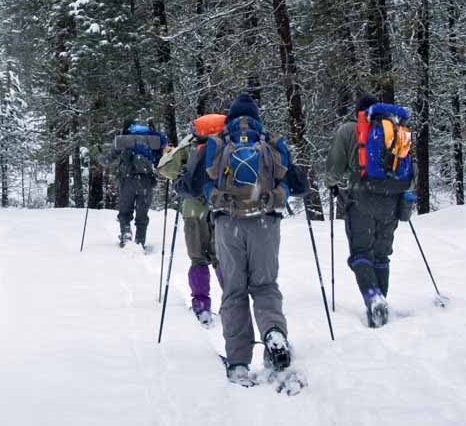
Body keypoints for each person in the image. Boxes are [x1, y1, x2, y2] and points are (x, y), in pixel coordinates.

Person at [199, 93, 308, 386]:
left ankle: (238, 363)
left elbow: (192, 184)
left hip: (228, 224)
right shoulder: (271, 143)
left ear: (230, 118)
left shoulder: (216, 144)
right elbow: (300, 185)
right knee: (265, 285)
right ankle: (273, 332)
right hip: (264, 223)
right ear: (256, 118)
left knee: (234, 291)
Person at [325, 93, 416, 328]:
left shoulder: (349, 130)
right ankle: (380, 306)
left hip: (361, 199)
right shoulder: (395, 130)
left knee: (361, 253)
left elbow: (335, 168)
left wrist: (331, 183)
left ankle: (374, 299)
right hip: (391, 201)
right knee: (381, 255)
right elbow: (408, 169)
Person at [158, 114, 226, 326]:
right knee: (223, 258)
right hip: (223, 206)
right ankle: (232, 303)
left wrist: (173, 153)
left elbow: (165, 168)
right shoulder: (229, 142)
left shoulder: (191, 144)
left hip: (194, 209)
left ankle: (201, 305)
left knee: (198, 259)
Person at [103, 119, 167, 248]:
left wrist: (100, 159)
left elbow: (108, 159)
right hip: (146, 180)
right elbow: (161, 156)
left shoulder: (123, 140)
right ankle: (140, 241)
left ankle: (126, 235)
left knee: (125, 211)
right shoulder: (152, 140)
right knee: (142, 213)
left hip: (127, 179)